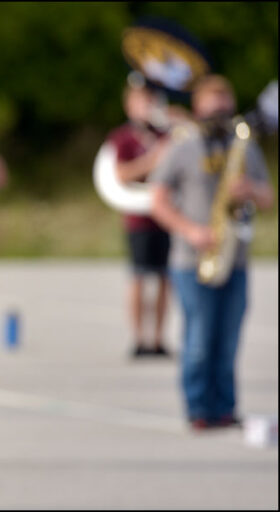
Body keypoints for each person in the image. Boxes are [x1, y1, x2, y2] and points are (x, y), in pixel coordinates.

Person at [149, 74, 274, 430]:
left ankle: (225, 408)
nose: (221, 115)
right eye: (213, 107)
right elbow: (157, 200)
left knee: (229, 338)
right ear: (198, 108)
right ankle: (198, 408)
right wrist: (190, 230)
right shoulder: (182, 147)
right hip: (192, 260)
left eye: (226, 107)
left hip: (235, 256)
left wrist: (250, 189)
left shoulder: (244, 147)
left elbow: (268, 197)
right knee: (200, 338)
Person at [105, 80, 175, 358]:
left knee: (163, 278)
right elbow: (120, 174)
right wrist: (153, 160)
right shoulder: (123, 137)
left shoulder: (167, 134)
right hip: (139, 218)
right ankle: (138, 339)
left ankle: (158, 339)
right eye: (139, 101)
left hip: (167, 216)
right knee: (137, 276)